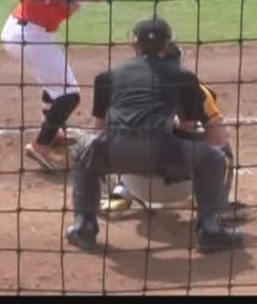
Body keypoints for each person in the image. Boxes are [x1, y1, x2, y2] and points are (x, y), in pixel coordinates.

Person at [65, 16, 245, 254]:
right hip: (162, 154)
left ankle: (84, 226)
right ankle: (210, 228)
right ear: (167, 45)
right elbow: (192, 127)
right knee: (213, 158)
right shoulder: (182, 76)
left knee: (84, 153)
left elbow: (99, 129)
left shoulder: (108, 76)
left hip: (118, 154)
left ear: (136, 45)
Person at [100, 44, 249, 224]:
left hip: (135, 182)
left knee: (121, 133)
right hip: (177, 188)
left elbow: (103, 129)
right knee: (221, 145)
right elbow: (213, 135)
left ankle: (119, 194)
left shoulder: (124, 84)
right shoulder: (193, 86)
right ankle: (218, 206)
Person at [0, 0, 106, 171]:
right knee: (70, 95)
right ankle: (40, 145)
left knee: (57, 84)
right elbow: (60, 0)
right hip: (28, 35)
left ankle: (53, 131)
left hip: (33, 34)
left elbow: (79, 0)